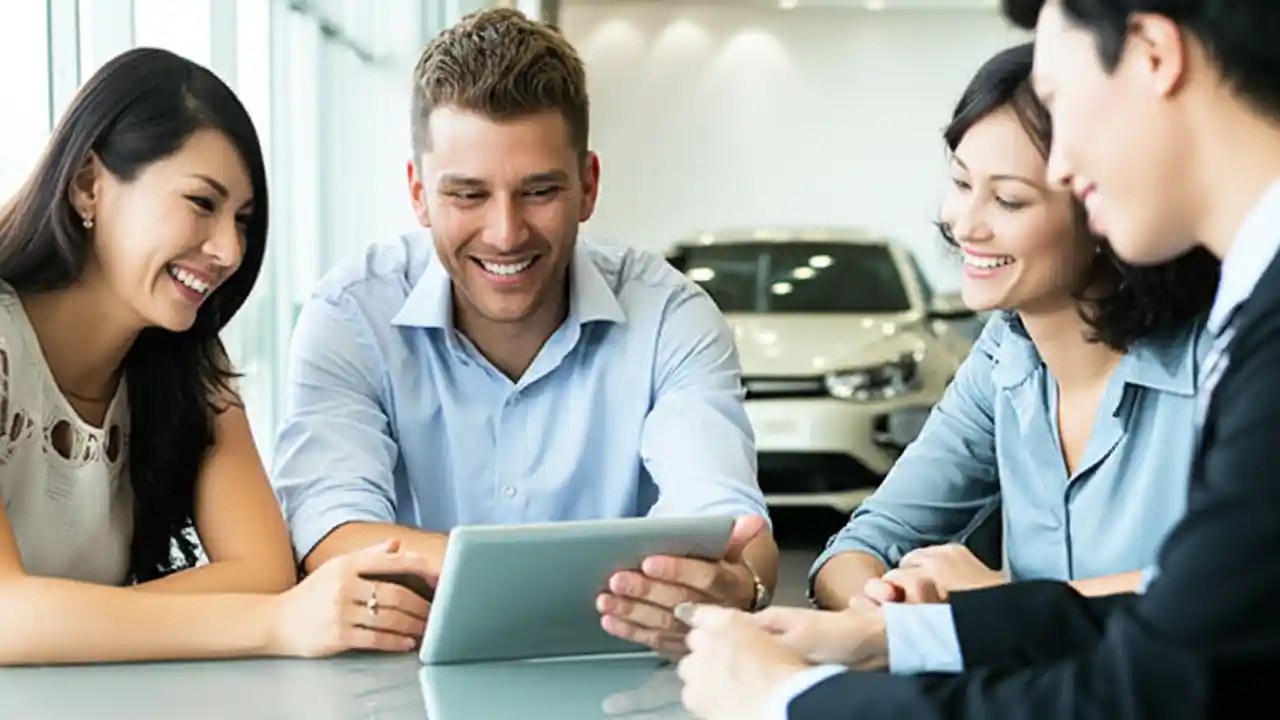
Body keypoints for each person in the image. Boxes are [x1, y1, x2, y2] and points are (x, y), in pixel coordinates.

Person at [675, 1, 1280, 717]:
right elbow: (1187, 620)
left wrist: (791, 697)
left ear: (1153, 54)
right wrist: (893, 633)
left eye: (1061, 101)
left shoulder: (1240, 337)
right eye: (963, 181)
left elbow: (1162, 675)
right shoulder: (1012, 353)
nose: (1065, 163)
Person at [270, 7, 778, 655]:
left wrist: (744, 588)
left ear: (588, 185)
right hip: (397, 678)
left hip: (621, 683)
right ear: (418, 193)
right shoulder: (349, 314)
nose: (505, 233)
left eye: (539, 191)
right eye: (467, 195)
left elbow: (733, 527)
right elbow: (330, 530)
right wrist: (588, 578)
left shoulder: (673, 317)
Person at [0, 47, 438, 665]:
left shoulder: (187, 362)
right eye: (202, 204)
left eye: (244, 219)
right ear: (87, 185)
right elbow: (5, 616)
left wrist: (73, 619)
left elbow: (263, 571)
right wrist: (274, 624)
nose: (230, 250)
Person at [811, 42, 1218, 612]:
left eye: (1008, 199)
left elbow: (1231, 590)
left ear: (1103, 209)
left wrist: (1002, 608)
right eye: (960, 183)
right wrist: (886, 607)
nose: (964, 225)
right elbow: (861, 546)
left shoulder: (1220, 356)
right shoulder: (1005, 354)